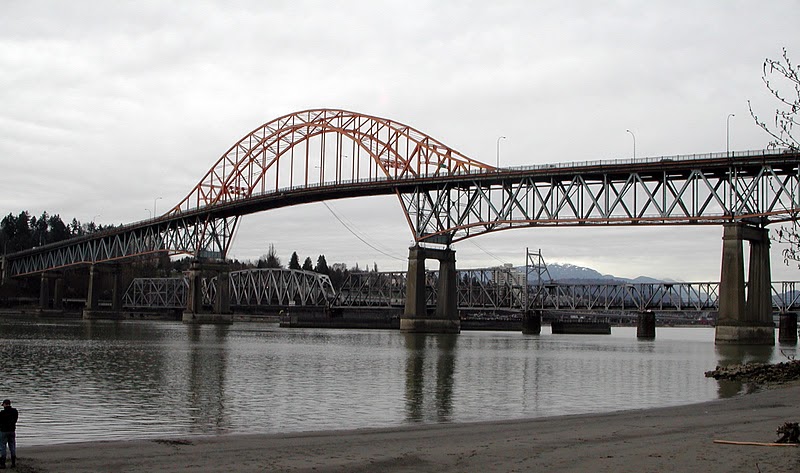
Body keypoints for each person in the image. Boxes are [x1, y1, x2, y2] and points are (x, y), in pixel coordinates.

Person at [0, 400, 17, 469]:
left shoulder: (2, 413)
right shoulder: (15, 411)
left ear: (4, 404)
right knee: (12, 446)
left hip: (4, 431)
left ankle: (3, 463)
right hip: (12, 430)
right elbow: (15, 420)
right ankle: (13, 463)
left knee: (3, 446)